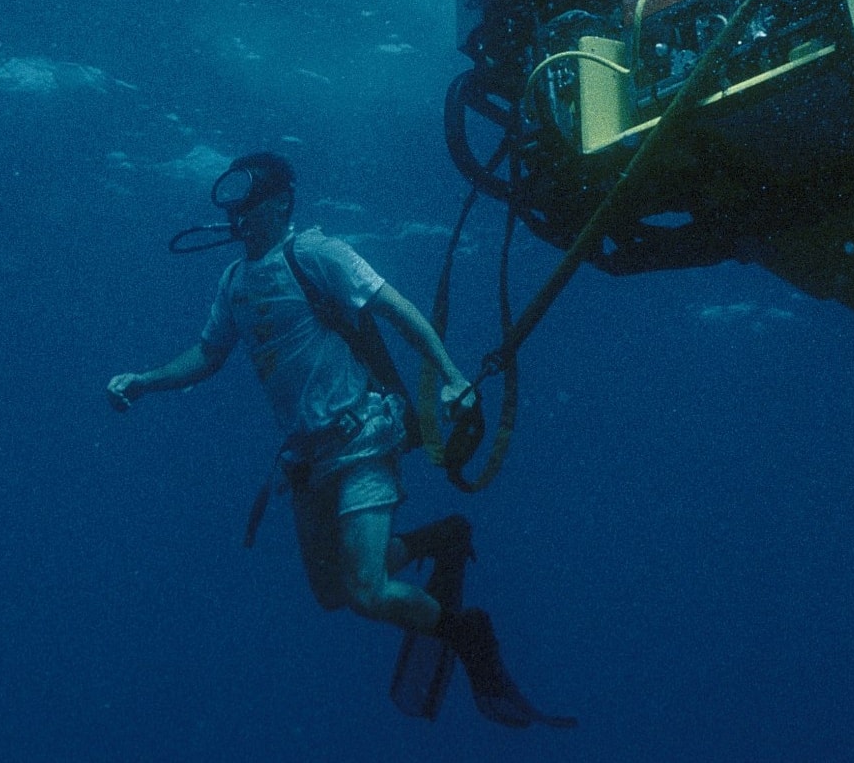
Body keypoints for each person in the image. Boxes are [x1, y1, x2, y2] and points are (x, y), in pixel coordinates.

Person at [106, 151, 571, 729]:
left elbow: (396, 308)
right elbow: (208, 354)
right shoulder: (233, 281)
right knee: (332, 593)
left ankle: (471, 637)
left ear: (279, 203)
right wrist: (146, 381)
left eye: (246, 199)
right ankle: (442, 538)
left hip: (362, 439)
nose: (236, 214)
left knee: (368, 592)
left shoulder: (317, 253)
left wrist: (452, 378)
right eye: (230, 198)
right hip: (306, 459)